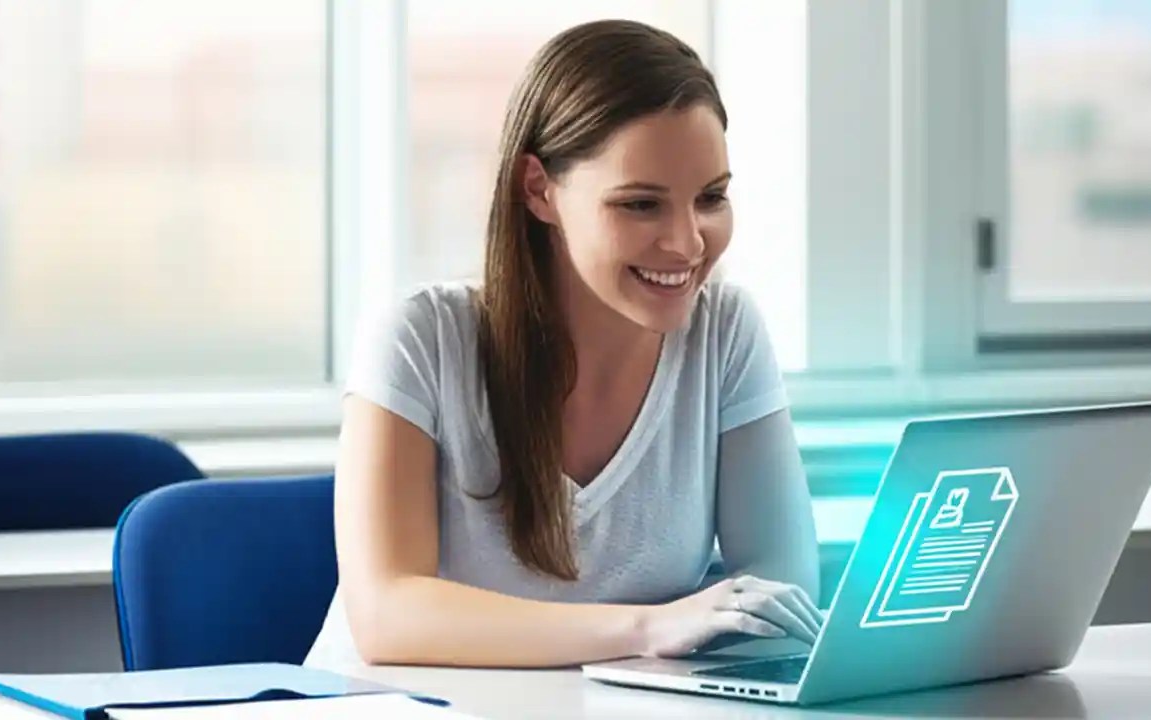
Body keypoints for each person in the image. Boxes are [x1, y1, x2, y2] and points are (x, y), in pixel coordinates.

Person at [304, 18, 822, 670]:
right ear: (538, 189)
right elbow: (389, 615)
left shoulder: (726, 333)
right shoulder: (419, 339)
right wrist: (647, 627)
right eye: (641, 204)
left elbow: (782, 590)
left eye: (711, 198)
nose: (688, 243)